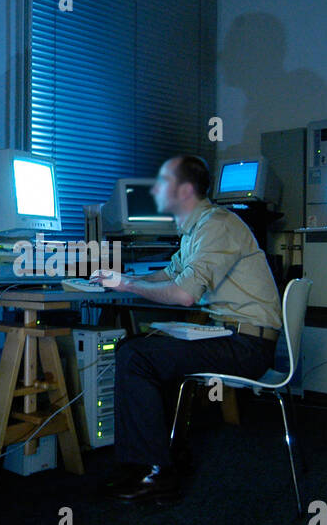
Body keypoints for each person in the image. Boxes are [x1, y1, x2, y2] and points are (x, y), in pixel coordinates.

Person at [91, 154, 283, 502]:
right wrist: (123, 279)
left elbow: (183, 295)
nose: (156, 188)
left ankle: (153, 472)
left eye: (164, 181)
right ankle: (161, 456)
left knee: (137, 356)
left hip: (248, 346)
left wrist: (126, 286)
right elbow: (170, 273)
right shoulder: (197, 228)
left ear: (185, 190)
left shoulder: (216, 225)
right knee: (142, 348)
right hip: (234, 335)